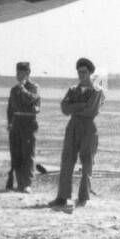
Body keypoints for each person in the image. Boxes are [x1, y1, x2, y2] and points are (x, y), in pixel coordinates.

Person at [49, 57, 104, 209]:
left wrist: (74, 106)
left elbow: (91, 111)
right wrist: (80, 105)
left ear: (91, 73)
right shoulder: (73, 90)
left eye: (84, 72)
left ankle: (83, 197)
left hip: (88, 128)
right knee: (67, 160)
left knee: (87, 162)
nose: (81, 74)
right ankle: (62, 197)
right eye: (79, 72)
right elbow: (64, 109)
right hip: (72, 126)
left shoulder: (97, 91)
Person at [5, 60, 41, 192]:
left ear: (28, 73)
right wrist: (9, 122)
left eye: (21, 72)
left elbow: (32, 99)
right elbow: (10, 108)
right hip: (16, 123)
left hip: (29, 123)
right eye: (17, 72)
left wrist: (22, 89)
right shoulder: (14, 90)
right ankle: (20, 183)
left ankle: (27, 184)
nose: (18, 75)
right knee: (16, 154)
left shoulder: (33, 87)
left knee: (28, 154)